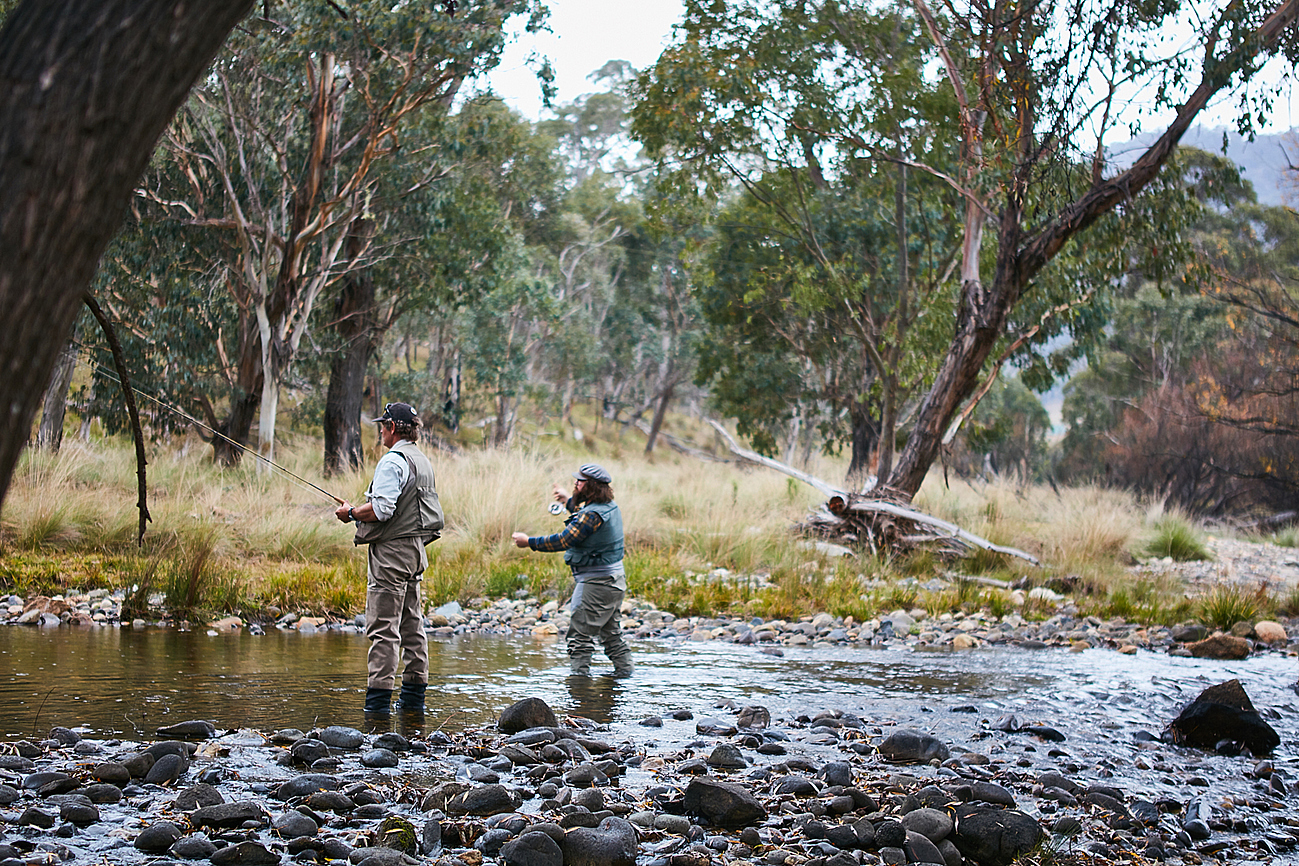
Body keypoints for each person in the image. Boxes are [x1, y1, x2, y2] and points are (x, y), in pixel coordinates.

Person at [335, 402, 443, 717]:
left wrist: (351, 513)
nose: (380, 431)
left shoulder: (392, 461)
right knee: (412, 626)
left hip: (391, 554)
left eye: (383, 425)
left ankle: (377, 710)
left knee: (383, 629)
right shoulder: (422, 461)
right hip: (415, 552)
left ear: (393, 428)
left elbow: (382, 509)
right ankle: (413, 705)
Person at [512, 463, 633, 677]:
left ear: (592, 486)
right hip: (614, 581)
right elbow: (585, 518)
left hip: (597, 583)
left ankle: (579, 690)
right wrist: (568, 500)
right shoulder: (609, 507)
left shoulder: (592, 514)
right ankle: (626, 676)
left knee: (579, 637)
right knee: (611, 635)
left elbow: (564, 540)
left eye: (580, 482)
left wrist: (528, 541)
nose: (576, 483)